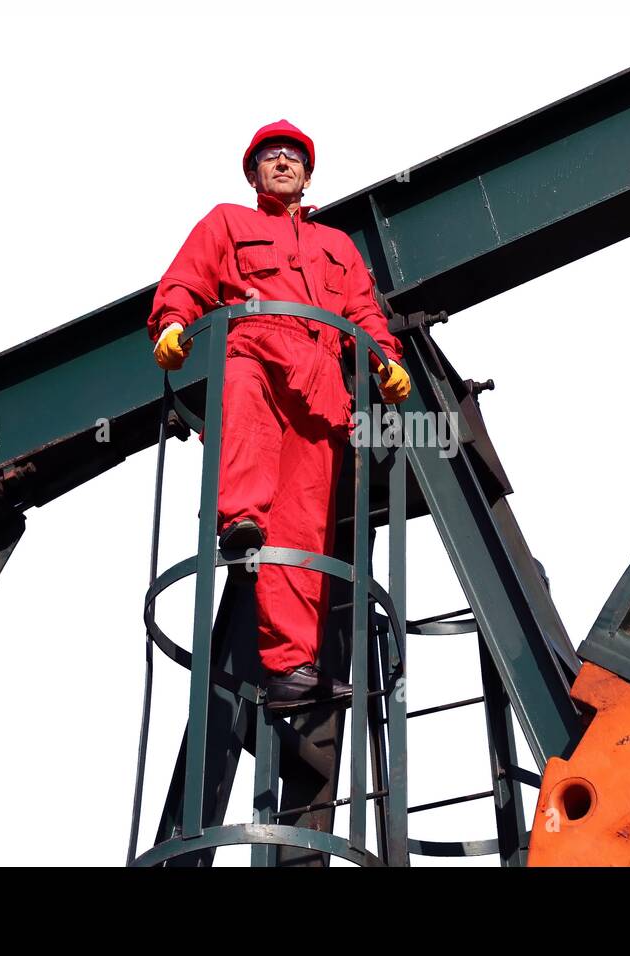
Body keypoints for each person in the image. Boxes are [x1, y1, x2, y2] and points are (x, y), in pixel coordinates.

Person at [147, 119, 411, 713]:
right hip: (256, 351)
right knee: (244, 430)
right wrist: (171, 322)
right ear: (254, 173)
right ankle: (239, 526)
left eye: (293, 156)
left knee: (302, 524)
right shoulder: (228, 222)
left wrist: (385, 360)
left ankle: (291, 667)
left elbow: (364, 312)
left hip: (319, 386)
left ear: (308, 173)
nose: (283, 162)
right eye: (271, 157)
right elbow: (188, 278)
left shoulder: (337, 246)